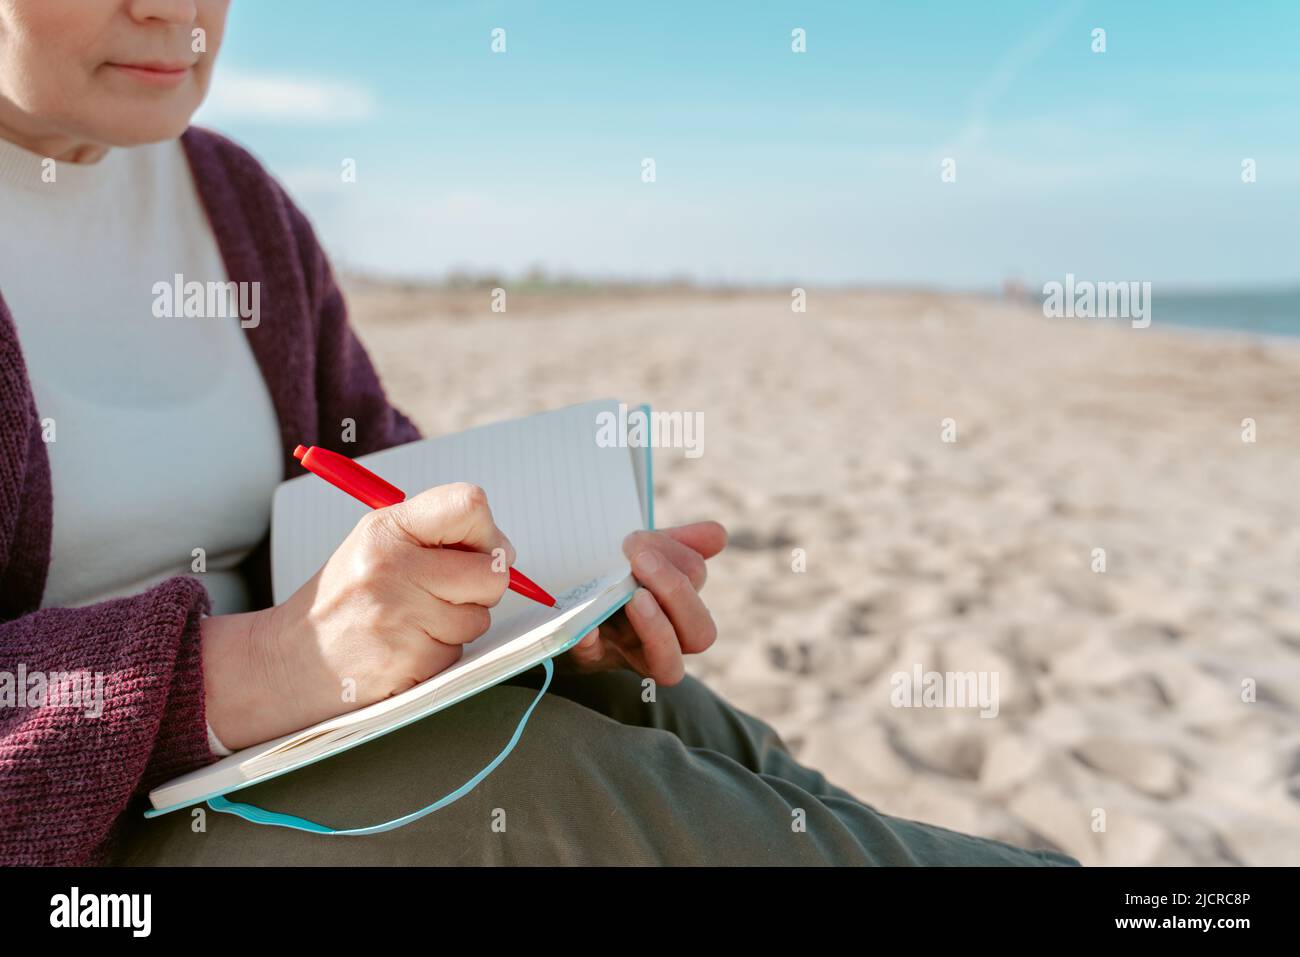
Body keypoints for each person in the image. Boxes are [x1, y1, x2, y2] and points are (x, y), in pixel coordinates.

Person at [0, 0, 1078, 866]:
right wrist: (258, 667)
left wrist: (528, 605)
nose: (169, 10)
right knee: (561, 790)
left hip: (296, 730)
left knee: (674, 720)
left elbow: (367, 465)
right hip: (94, 829)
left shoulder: (232, 197)